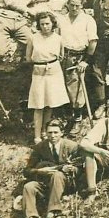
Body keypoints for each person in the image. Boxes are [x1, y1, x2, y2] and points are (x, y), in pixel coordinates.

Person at [0, 0, 56, 100]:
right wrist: (27, 10)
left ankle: (37, 82)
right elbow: (10, 2)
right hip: (2, 18)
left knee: (36, 45)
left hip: (20, 22)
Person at [14, 119, 81, 218]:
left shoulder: (72, 146)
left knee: (57, 175)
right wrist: (40, 171)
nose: (53, 136)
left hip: (65, 184)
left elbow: (80, 169)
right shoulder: (40, 147)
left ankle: (52, 214)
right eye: (49, 133)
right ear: (45, 133)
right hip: (45, 183)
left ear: (62, 133)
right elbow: (27, 171)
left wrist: (70, 169)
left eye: (56, 132)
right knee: (29, 186)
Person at [57, 0, 98, 134]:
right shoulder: (62, 19)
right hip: (63, 56)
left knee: (76, 89)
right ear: (67, 4)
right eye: (72, 5)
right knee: (61, 87)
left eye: (77, 5)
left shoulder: (88, 20)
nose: (74, 8)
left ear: (82, 5)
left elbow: (92, 43)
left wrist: (86, 61)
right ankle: (64, 117)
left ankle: (77, 119)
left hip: (79, 57)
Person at [26, 11, 69, 144]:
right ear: (38, 25)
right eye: (42, 24)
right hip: (39, 74)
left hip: (53, 73)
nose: (45, 26)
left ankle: (45, 132)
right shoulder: (33, 38)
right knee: (38, 105)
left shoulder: (58, 38)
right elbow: (28, 58)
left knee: (50, 103)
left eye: (48, 24)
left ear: (53, 24)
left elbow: (61, 56)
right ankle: (37, 136)